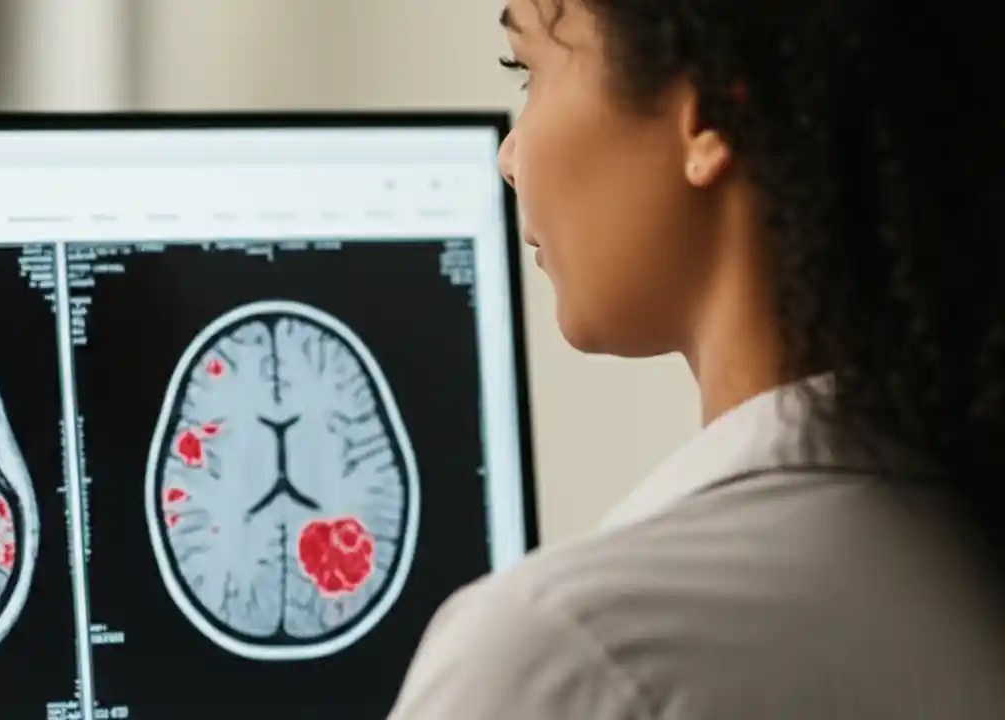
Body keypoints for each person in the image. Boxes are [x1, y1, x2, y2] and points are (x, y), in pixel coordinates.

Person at [386, 1, 1005, 718]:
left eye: (529, 71)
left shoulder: (568, 649)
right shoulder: (964, 558)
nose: (508, 157)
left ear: (706, 115)